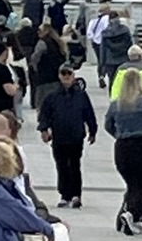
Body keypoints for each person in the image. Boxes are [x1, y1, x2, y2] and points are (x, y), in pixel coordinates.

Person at [105, 63, 142, 235]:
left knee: (132, 183)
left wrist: (119, 134)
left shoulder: (116, 104)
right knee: (141, 183)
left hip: (123, 147)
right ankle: (132, 213)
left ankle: (132, 213)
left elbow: (108, 124)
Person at [38, 64, 98, 208]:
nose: (66, 77)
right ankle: (65, 194)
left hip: (76, 136)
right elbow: (44, 115)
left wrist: (93, 130)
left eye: (69, 74)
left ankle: (76, 194)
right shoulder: (52, 96)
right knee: (62, 165)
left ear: (73, 76)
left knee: (75, 165)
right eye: (63, 74)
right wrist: (44, 130)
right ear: (59, 76)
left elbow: (89, 114)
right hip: (59, 136)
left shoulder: (81, 96)